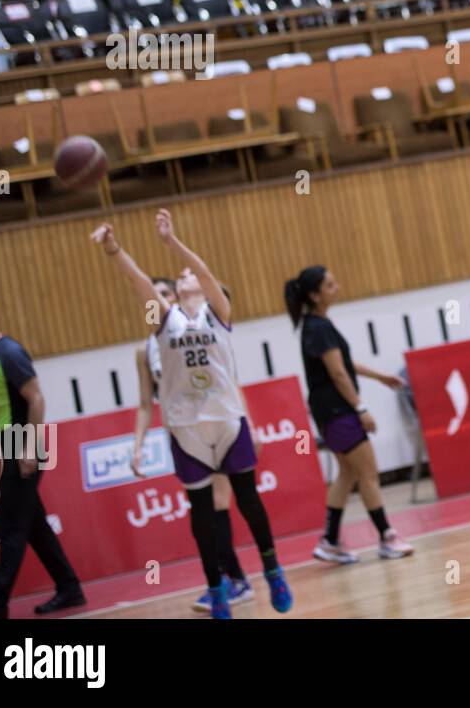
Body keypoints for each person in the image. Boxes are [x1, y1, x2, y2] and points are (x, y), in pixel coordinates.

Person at [93, 210, 293, 619]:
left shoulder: (217, 312)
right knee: (201, 510)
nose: (185, 275)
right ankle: (217, 587)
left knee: (247, 497)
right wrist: (115, 251)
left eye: (189, 274)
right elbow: (141, 285)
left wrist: (173, 242)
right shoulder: (165, 323)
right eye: (180, 275)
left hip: (226, 420)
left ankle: (272, 569)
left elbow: (203, 269)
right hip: (187, 429)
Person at [0, 295, 85, 619]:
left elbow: (37, 398)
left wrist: (29, 448)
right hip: (3, 452)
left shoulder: (9, 353)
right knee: (33, 525)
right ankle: (70, 587)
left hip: (20, 450)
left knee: (11, 524)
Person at [133, 276, 254, 614]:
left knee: (219, 503)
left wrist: (249, 424)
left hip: (216, 421)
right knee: (202, 510)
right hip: (183, 430)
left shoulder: (200, 330)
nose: (160, 300)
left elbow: (230, 380)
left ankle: (235, 578)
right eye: (154, 296)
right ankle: (227, 578)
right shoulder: (145, 349)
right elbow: (146, 403)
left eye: (165, 293)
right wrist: (138, 445)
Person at [284, 266, 414, 564]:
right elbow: (338, 372)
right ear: (315, 295)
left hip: (328, 410)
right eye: (330, 285)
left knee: (348, 473)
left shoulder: (315, 325)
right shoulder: (318, 327)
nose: (337, 287)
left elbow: (342, 363)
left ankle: (329, 541)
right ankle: (387, 537)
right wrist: (361, 408)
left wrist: (380, 377)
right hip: (337, 409)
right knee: (368, 472)